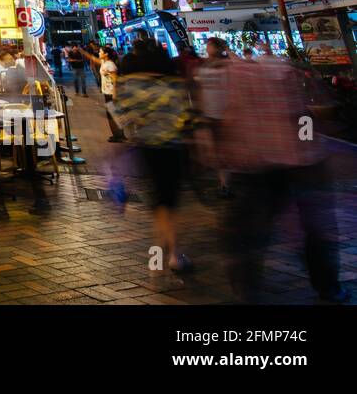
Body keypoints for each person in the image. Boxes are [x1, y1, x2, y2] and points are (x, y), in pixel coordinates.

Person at [202, 49, 348, 303]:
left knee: (247, 233)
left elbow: (230, 119)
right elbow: (310, 114)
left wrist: (223, 153)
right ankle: (328, 287)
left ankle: (247, 290)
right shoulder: (287, 72)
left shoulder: (234, 76)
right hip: (303, 162)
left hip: (258, 164)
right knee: (314, 228)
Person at [114, 31, 196, 274]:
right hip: (173, 147)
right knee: (171, 201)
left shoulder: (130, 84)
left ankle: (163, 252)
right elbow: (186, 115)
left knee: (159, 202)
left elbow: (122, 118)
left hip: (146, 149)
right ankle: (173, 253)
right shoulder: (174, 84)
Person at [98, 46, 126, 141]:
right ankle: (119, 135)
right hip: (107, 92)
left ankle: (118, 136)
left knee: (112, 114)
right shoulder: (105, 63)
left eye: (100, 52)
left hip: (111, 93)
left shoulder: (110, 65)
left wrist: (114, 93)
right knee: (113, 114)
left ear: (106, 54)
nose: (99, 53)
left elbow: (115, 80)